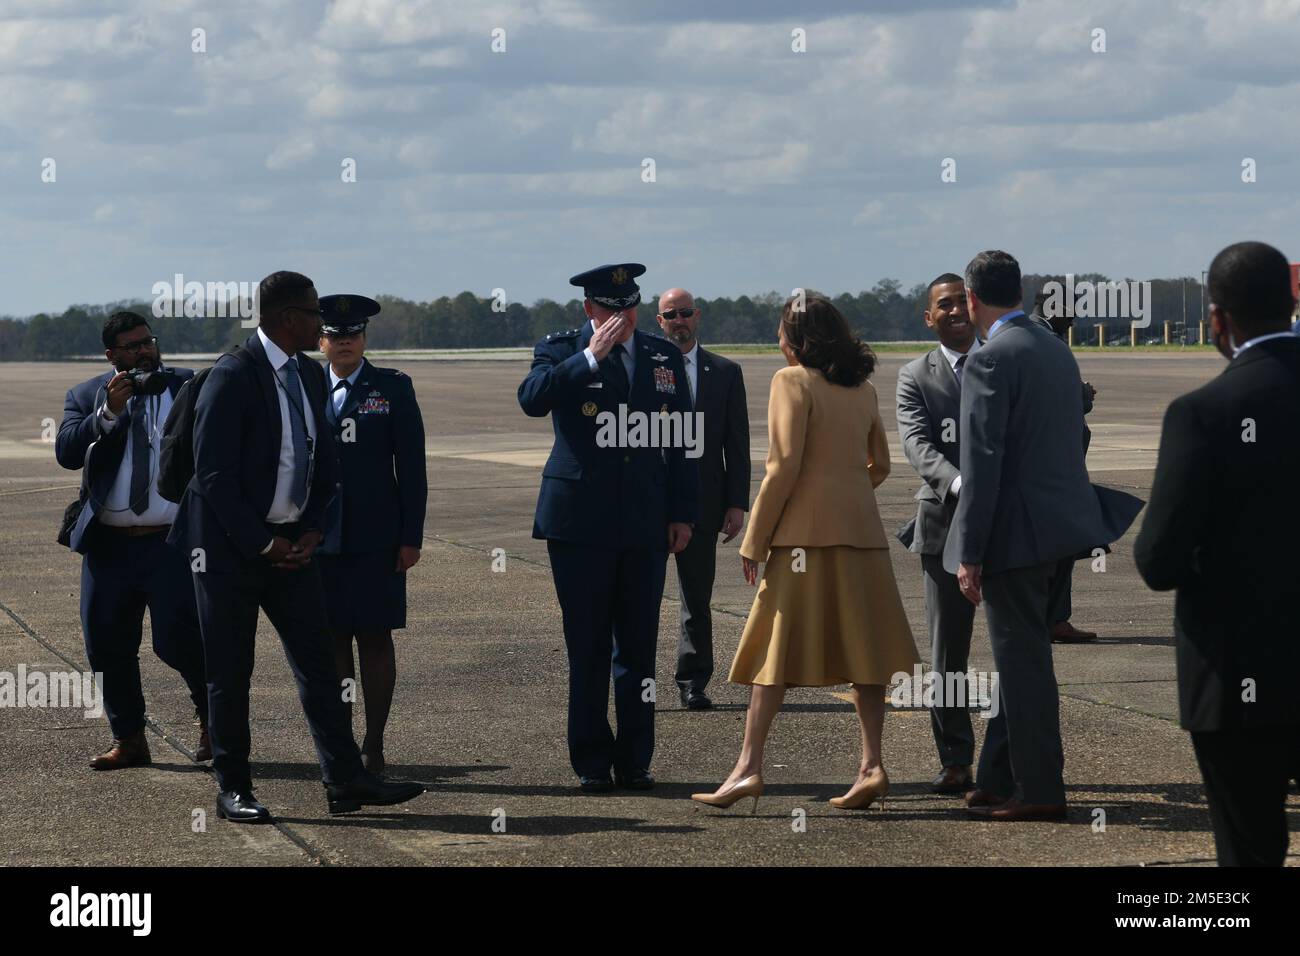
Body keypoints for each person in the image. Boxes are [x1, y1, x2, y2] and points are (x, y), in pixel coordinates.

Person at [167, 271, 424, 823]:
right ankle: (234, 786)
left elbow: (322, 461)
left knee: (318, 666)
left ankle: (345, 778)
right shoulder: (234, 375)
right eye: (313, 314)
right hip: (232, 550)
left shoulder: (307, 375)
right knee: (231, 671)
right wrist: (262, 544)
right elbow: (213, 476)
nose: (322, 324)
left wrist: (310, 529)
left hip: (294, 549)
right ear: (288, 319)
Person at [692, 294, 918, 813]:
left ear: (795, 338)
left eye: (780, 331)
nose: (777, 340)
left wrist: (755, 538)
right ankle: (872, 765)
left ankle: (748, 768)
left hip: (802, 541)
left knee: (774, 654)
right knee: (867, 654)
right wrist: (844, 494)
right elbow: (879, 464)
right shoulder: (860, 389)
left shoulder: (790, 381)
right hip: (862, 537)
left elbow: (783, 466)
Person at [947, 251, 1142, 822]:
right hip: (1064, 530)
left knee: (1023, 664)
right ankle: (997, 777)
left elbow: (982, 465)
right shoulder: (1055, 349)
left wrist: (970, 551)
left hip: (1016, 537)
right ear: (1022, 291)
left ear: (973, 300)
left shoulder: (990, 360)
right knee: (1020, 660)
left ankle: (1040, 791)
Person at [1135, 240, 1300, 866]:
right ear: (1291, 306)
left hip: (1239, 678)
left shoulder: (1203, 413)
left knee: (1249, 854)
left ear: (1217, 318)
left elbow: (1157, 562)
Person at [518, 263, 698, 793]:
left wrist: (683, 513)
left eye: (628, 307)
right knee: (589, 646)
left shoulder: (662, 355)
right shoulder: (559, 349)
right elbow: (532, 399)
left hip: (644, 523)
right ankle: (592, 761)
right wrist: (590, 356)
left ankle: (636, 757)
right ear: (589, 309)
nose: (621, 318)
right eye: (609, 309)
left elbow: (681, 440)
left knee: (638, 649)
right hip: (579, 523)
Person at [55, 312, 209, 769]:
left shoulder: (188, 386)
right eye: (132, 345)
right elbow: (66, 452)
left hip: (171, 543)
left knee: (178, 640)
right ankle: (130, 738)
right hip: (109, 545)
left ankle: (211, 720)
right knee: (106, 644)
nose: (144, 350)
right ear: (112, 355)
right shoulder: (87, 396)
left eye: (148, 342)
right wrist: (108, 414)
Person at [316, 295, 427, 776]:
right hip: (317, 538)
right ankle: (340, 746)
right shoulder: (301, 386)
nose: (344, 342)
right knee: (331, 643)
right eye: (335, 335)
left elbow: (413, 468)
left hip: (377, 536)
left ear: (363, 338)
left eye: (353, 334)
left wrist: (411, 536)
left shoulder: (392, 388)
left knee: (375, 639)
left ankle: (374, 743)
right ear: (320, 340)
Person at [895, 274, 980, 794]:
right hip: (944, 524)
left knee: (1018, 646)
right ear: (929, 318)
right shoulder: (914, 376)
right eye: (942, 306)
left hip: (1010, 527)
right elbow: (917, 446)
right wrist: (962, 485)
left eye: (960, 302)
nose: (954, 311)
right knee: (949, 653)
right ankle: (955, 759)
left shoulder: (1003, 362)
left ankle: (1012, 756)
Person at [655, 287, 750, 711]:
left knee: (697, 598)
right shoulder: (643, 368)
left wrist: (736, 502)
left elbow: (738, 443)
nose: (679, 320)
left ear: (698, 317)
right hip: (652, 500)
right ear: (659, 322)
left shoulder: (725, 372)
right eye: (670, 314)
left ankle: (693, 681)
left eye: (685, 312)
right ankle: (639, 683)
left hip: (706, 502)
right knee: (639, 597)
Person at [1029, 289, 1099, 644]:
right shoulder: (1047, 342)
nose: (1074, 320)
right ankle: (1054, 619)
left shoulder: (1037, 336)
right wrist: (1084, 393)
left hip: (1054, 462)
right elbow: (1068, 400)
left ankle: (1049, 617)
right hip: (1055, 467)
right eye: (1070, 313)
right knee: (1064, 541)